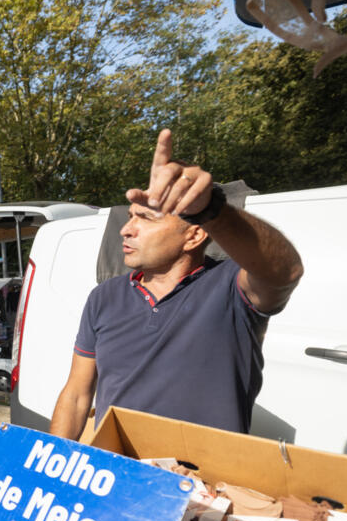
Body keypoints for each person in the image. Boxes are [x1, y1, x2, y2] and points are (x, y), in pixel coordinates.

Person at [49, 130, 304, 439]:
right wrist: (51, 462)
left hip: (203, 482)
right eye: (130, 217)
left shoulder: (231, 289)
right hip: (117, 475)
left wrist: (212, 210)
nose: (126, 230)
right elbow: (76, 395)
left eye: (145, 219)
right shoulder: (104, 297)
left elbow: (285, 272)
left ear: (194, 236)